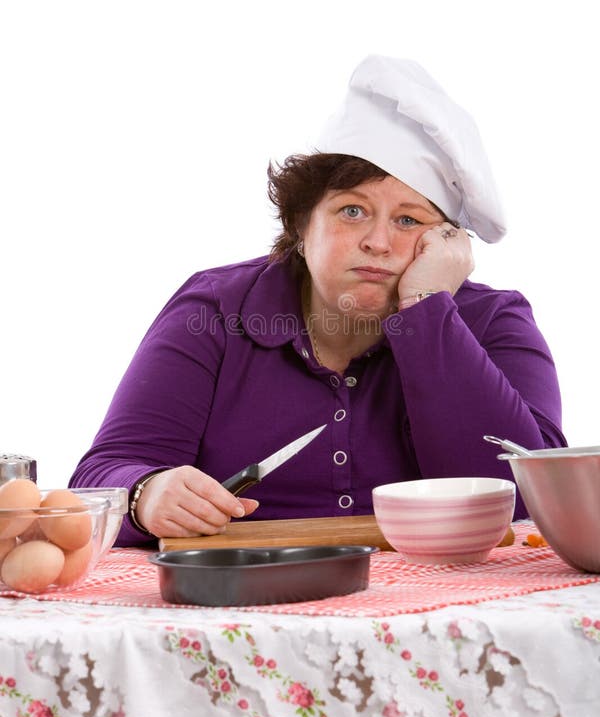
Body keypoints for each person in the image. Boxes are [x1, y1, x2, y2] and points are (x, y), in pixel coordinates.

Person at [69, 55, 566, 546]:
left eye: (409, 220)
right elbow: (103, 474)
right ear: (302, 226)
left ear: (448, 244)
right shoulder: (214, 311)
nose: (377, 241)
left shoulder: (494, 321)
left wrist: (426, 308)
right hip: (245, 600)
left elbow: (531, 498)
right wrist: (146, 493)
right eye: (353, 210)